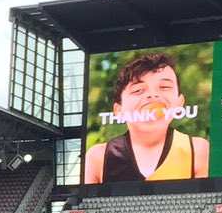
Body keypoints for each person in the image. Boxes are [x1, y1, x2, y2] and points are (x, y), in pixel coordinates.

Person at [85, 51, 211, 183]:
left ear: (179, 103)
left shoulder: (196, 150)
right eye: (138, 90)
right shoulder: (99, 157)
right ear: (119, 110)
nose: (152, 95)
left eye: (164, 87)